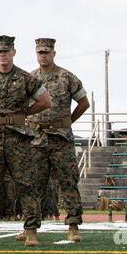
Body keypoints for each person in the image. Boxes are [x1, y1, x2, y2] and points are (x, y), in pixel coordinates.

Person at [0, 37, 53, 246]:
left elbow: (45, 101)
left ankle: (31, 230)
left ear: (13, 52)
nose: (3, 55)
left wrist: (24, 112)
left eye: (6, 51)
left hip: (18, 139)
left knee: (26, 184)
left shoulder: (26, 78)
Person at [27, 38, 90, 242]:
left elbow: (83, 102)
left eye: (47, 52)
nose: (43, 56)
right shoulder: (29, 78)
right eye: (40, 52)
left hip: (61, 138)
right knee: (34, 184)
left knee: (68, 181)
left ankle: (73, 226)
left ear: (54, 53)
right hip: (37, 138)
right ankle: (30, 228)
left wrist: (68, 121)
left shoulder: (66, 77)